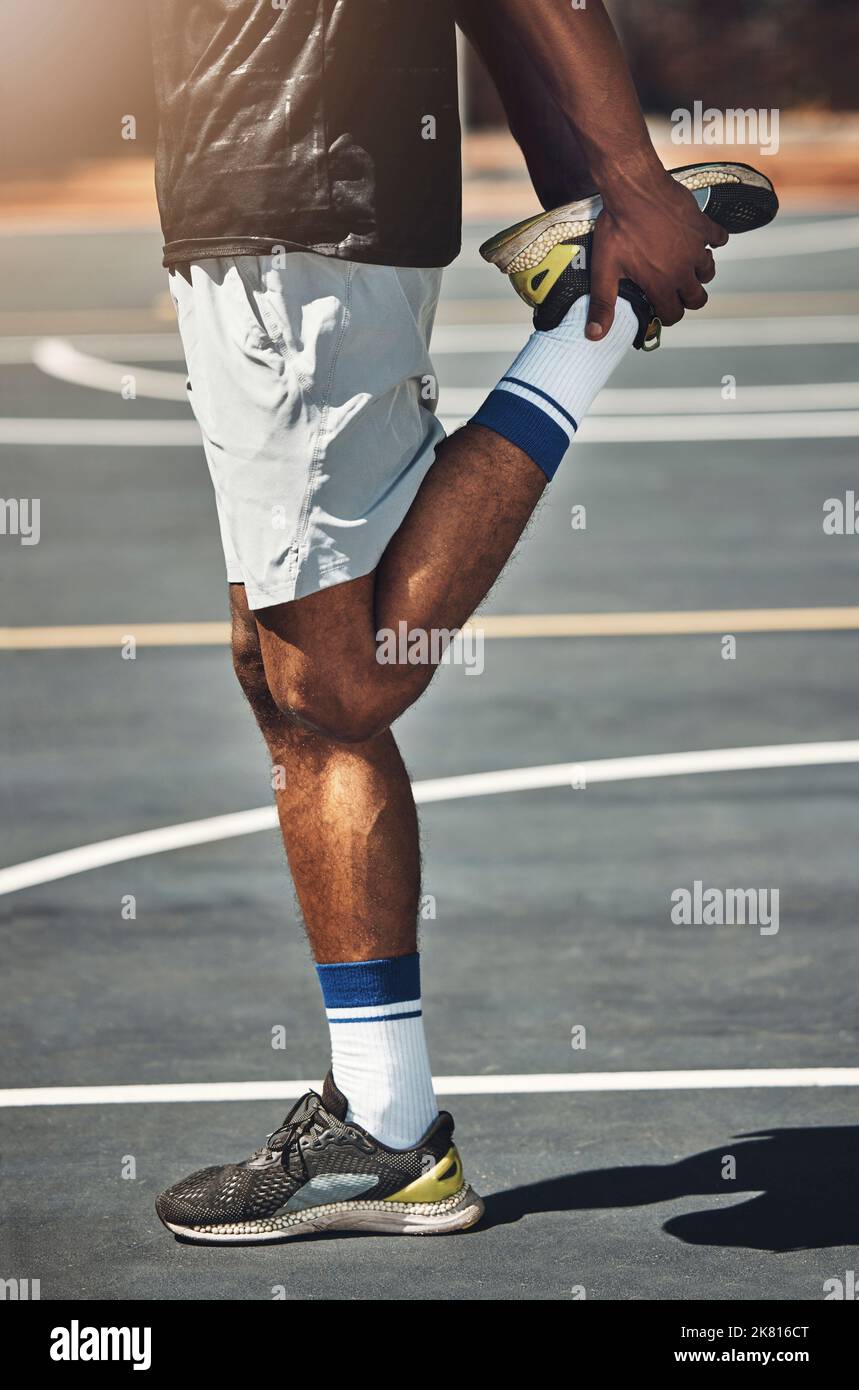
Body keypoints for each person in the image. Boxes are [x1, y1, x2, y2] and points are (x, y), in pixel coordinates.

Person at [148, 0, 776, 1242]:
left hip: (298, 209)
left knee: (340, 691)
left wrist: (630, 185)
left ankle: (577, 338)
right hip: (263, 210)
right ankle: (384, 1116)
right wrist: (589, 188)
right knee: (276, 680)